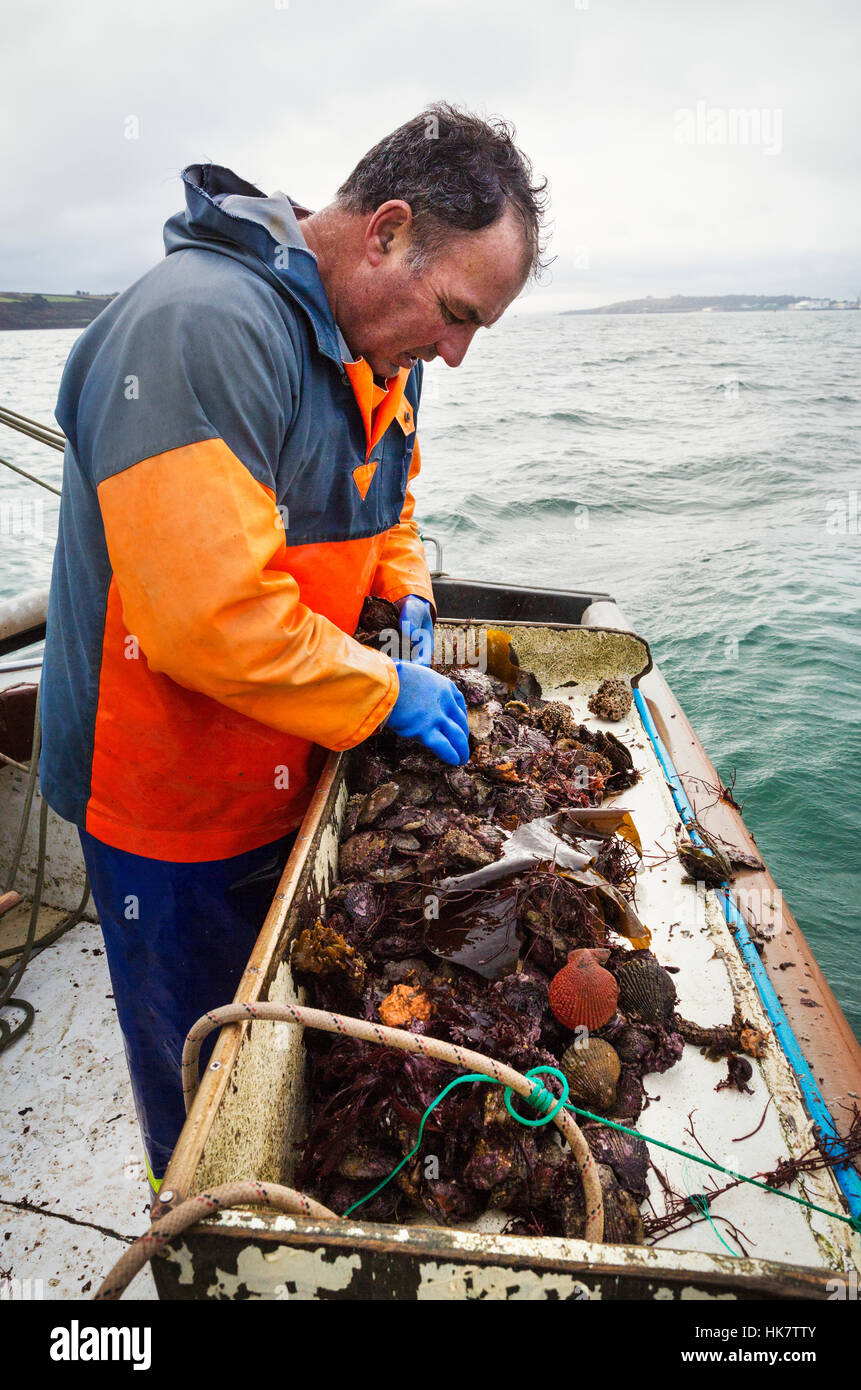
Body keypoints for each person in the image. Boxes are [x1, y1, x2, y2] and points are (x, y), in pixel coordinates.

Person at [39, 103, 548, 1194]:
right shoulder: (199, 330)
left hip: (300, 762)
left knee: (305, 1049)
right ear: (387, 230)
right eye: (455, 313)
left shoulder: (382, 349)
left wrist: (402, 592)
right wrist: (386, 693)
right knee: (211, 1081)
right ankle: (209, 1234)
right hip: (169, 808)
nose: (453, 354)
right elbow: (204, 620)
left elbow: (394, 506)